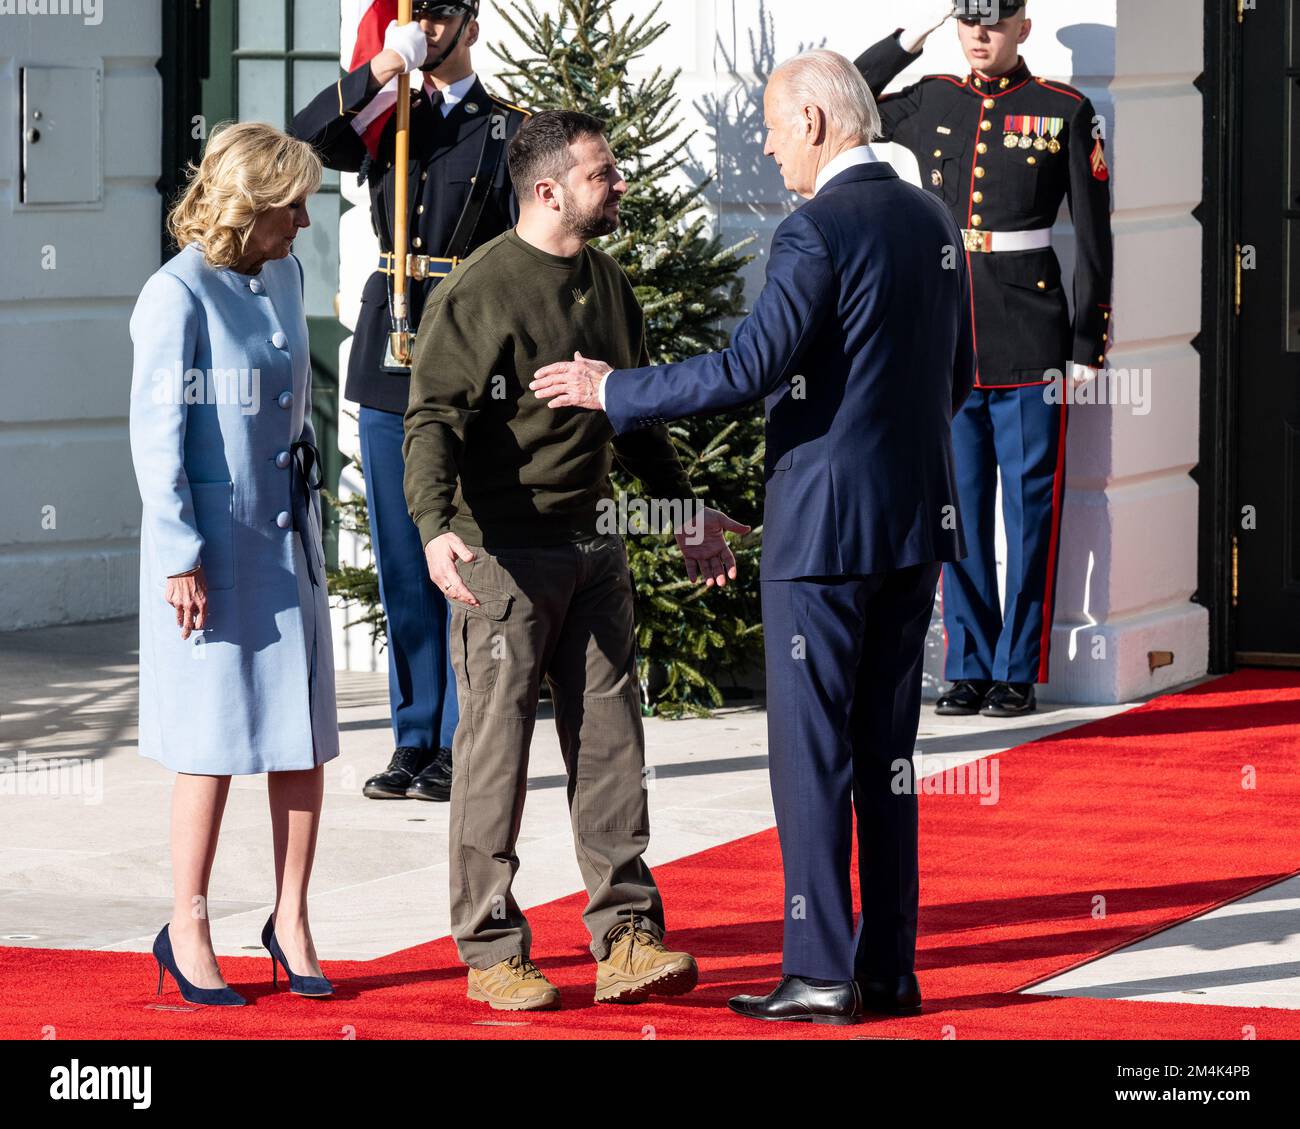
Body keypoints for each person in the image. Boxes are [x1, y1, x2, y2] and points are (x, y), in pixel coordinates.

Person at [532, 52, 974, 1024]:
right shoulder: (932, 219)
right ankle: (888, 971)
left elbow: (748, 366)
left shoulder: (817, 228)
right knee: (885, 757)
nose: (769, 148)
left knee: (812, 760)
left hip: (820, 537)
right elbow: (958, 377)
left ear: (815, 119)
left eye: (776, 128)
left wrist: (615, 389)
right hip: (910, 528)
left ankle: (819, 969)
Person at [403, 109, 750, 1012]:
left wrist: (684, 513)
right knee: (494, 752)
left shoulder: (607, 280)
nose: (621, 183)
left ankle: (627, 935)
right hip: (501, 558)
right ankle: (490, 946)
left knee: (609, 745)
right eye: (605, 173)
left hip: (593, 549)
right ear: (549, 190)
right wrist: (436, 524)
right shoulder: (479, 290)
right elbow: (432, 415)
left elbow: (629, 413)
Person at [290, 0, 528, 802]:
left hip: (470, 352)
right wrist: (382, 69)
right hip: (392, 350)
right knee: (401, 556)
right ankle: (415, 736)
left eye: (438, 17)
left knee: (461, 551)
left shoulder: (508, 130)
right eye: (415, 16)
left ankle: (468, 738)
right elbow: (305, 136)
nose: (423, 29)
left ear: (472, 26)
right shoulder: (387, 114)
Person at [855, 0, 1114, 718]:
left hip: (1032, 337)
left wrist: (1090, 341)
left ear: (1022, 26)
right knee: (958, 507)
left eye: (993, 21)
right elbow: (843, 95)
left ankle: (1018, 666)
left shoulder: (1063, 109)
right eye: (966, 20)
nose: (978, 35)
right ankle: (969, 660)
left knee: (1030, 512)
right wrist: (914, 31)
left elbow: (1094, 235)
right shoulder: (933, 97)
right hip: (946, 340)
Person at [129, 122, 337, 1005]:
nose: (303, 224)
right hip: (211, 548)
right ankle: (189, 923)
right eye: (290, 210)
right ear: (247, 208)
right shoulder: (175, 295)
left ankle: (289, 917)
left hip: (289, 535)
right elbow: (155, 439)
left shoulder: (282, 272)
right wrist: (180, 554)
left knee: (303, 736)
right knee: (209, 742)